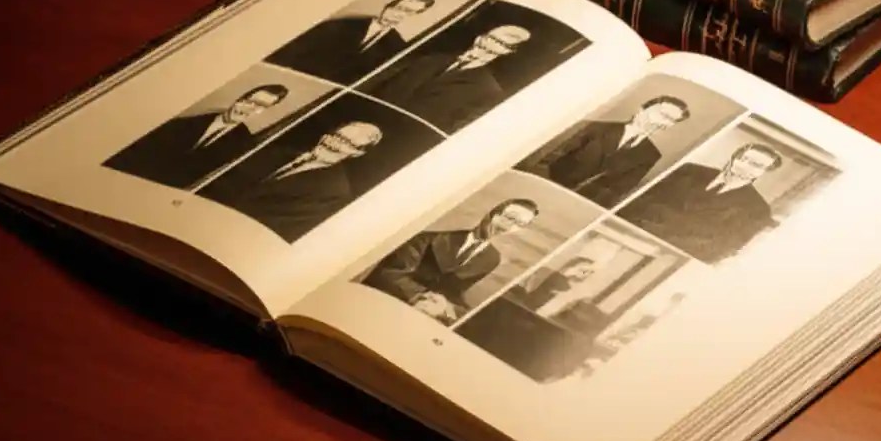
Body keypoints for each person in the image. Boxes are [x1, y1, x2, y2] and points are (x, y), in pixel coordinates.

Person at [198, 121, 382, 242]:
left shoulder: (334, 193)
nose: (332, 143)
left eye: (346, 142)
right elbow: (225, 180)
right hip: (201, 216)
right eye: (335, 135)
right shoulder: (279, 152)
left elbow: (275, 229)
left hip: (232, 239)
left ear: (357, 153)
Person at [363, 198, 540, 323]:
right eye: (510, 218)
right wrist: (421, 297)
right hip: (381, 304)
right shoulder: (430, 239)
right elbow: (389, 273)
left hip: (420, 319)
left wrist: (448, 309)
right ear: (493, 213)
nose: (510, 226)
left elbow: (455, 292)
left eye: (520, 224)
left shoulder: (491, 259)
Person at [620, 142, 783, 263]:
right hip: (624, 233)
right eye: (743, 159)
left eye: (756, 165)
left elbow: (720, 248)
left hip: (670, 262)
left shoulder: (757, 210)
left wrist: (661, 228)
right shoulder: (688, 171)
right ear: (734, 157)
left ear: (764, 172)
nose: (745, 167)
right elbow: (637, 200)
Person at [104, 84, 289, 189]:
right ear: (239, 98)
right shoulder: (186, 120)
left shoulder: (243, 146)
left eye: (260, 106)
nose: (250, 109)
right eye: (250, 101)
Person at [522, 95, 690, 207]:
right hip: (536, 188)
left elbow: (615, 193)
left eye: (671, 121)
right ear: (640, 110)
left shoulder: (650, 156)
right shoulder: (593, 127)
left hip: (574, 208)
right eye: (662, 114)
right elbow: (543, 160)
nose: (662, 122)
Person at [360, 24, 530, 133]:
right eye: (491, 38)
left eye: (502, 44)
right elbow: (377, 82)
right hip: (361, 120)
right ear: (479, 37)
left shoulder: (488, 90)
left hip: (398, 143)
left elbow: (454, 131)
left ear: (508, 52)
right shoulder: (431, 58)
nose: (490, 45)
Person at [265, 0, 436, 83]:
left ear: (415, 15)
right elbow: (297, 48)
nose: (398, 14)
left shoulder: (396, 47)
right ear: (388, 5)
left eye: (408, 12)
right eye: (397, 7)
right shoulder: (345, 23)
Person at [516, 256, 597, 311]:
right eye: (583, 271)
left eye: (590, 273)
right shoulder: (560, 283)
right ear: (570, 267)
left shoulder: (569, 288)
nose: (586, 275)